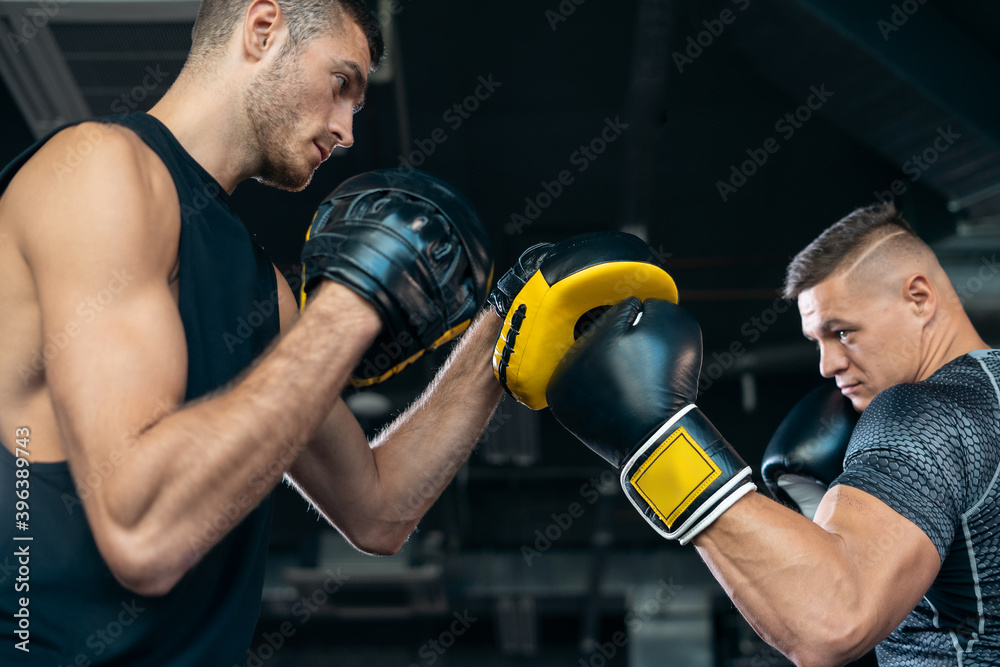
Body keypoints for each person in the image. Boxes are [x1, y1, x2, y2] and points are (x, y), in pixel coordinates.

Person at [0, 1, 504, 664]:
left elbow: (377, 509)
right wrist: (354, 303)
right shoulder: (99, 171)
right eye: (341, 83)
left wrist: (502, 340)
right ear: (262, 28)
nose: (348, 130)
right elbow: (142, 529)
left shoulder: (259, 288)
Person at [537, 201, 999, 665]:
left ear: (919, 297)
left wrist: (658, 438)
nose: (827, 364)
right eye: (816, 341)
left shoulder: (924, 412)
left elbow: (832, 623)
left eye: (841, 332)